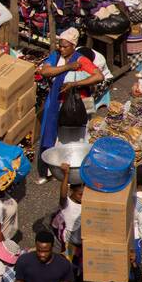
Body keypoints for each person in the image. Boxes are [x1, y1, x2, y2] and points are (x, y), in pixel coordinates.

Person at [36, 28, 102, 182]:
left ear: (73, 46)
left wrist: (75, 84)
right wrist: (67, 67)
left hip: (75, 106)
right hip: (56, 104)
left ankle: (77, 168)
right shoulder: (56, 57)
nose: (61, 48)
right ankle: (53, 168)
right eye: (60, 45)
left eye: (65, 46)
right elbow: (45, 71)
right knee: (55, 135)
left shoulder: (81, 60)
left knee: (76, 136)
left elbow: (98, 76)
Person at [52, 161, 84, 250]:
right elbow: (63, 194)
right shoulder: (67, 203)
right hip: (69, 242)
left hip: (81, 240)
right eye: (80, 194)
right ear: (71, 191)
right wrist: (66, 174)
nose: (83, 197)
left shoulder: (86, 203)